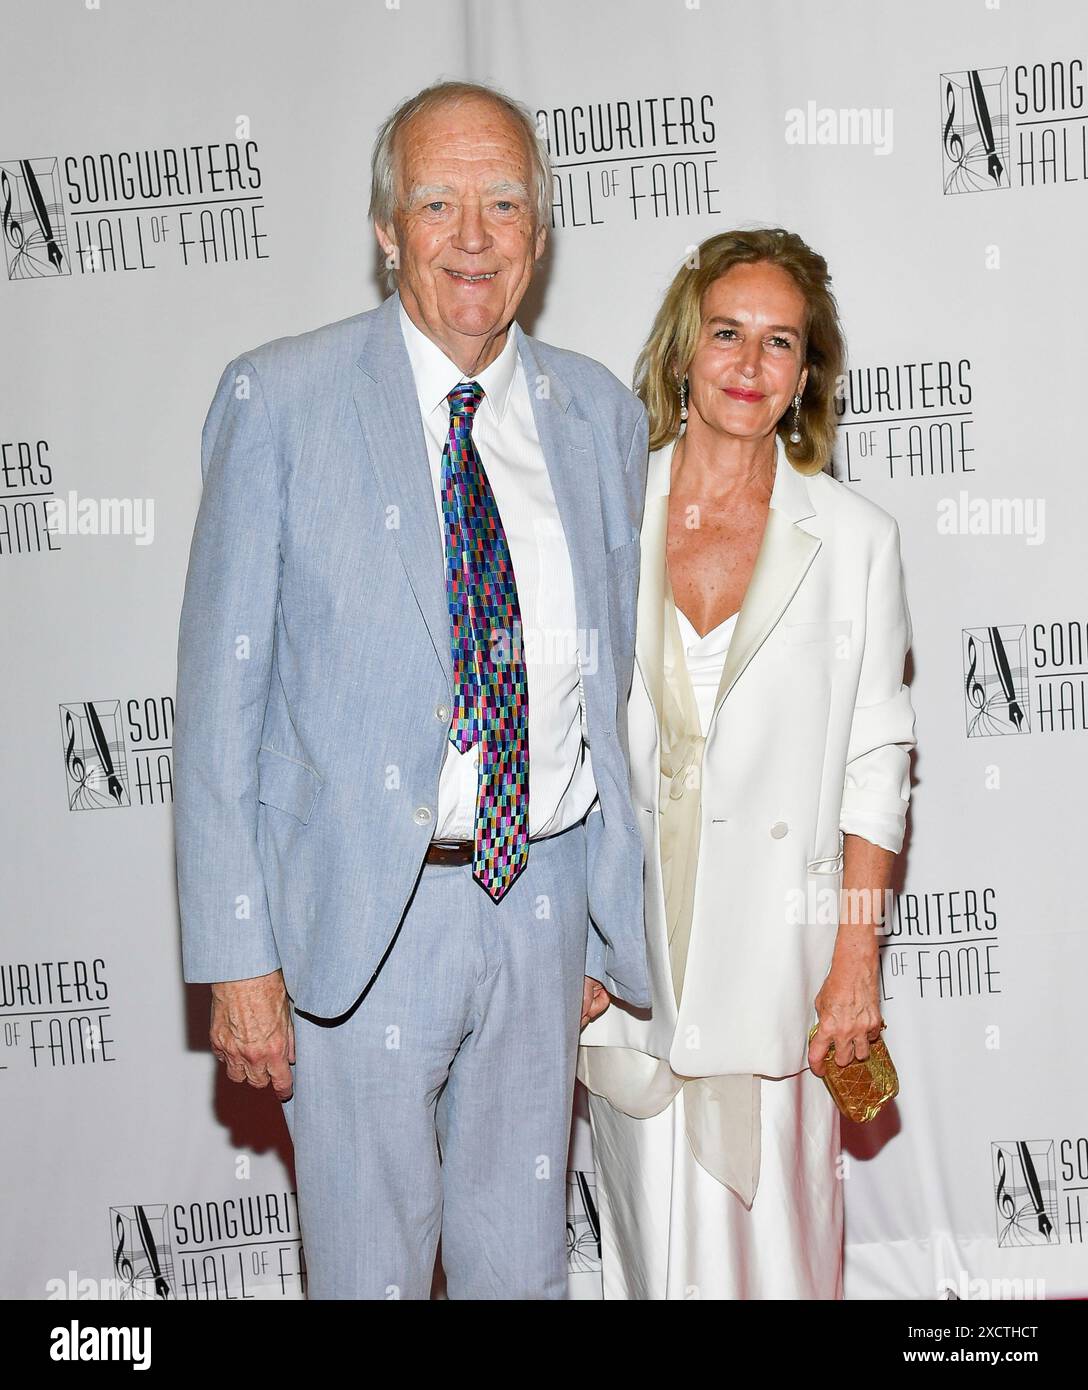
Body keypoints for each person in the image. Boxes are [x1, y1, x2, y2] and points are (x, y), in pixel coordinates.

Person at [173, 79, 651, 1300]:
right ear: (388, 228)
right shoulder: (277, 398)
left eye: (503, 204)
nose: (473, 236)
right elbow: (221, 694)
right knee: (368, 1276)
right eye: (437, 203)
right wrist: (237, 954)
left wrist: (603, 913)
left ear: (540, 236)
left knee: (520, 1270)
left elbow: (621, 693)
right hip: (359, 923)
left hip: (538, 897)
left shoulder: (596, 415)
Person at [577, 228, 917, 1300]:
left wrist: (852, 964)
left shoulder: (853, 537)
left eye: (779, 342)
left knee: (775, 1261)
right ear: (685, 346)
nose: (746, 363)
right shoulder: (601, 512)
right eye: (725, 332)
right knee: (650, 1257)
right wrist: (574, 934)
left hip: (781, 967)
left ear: (804, 375)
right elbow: (555, 743)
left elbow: (876, 759)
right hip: (633, 961)